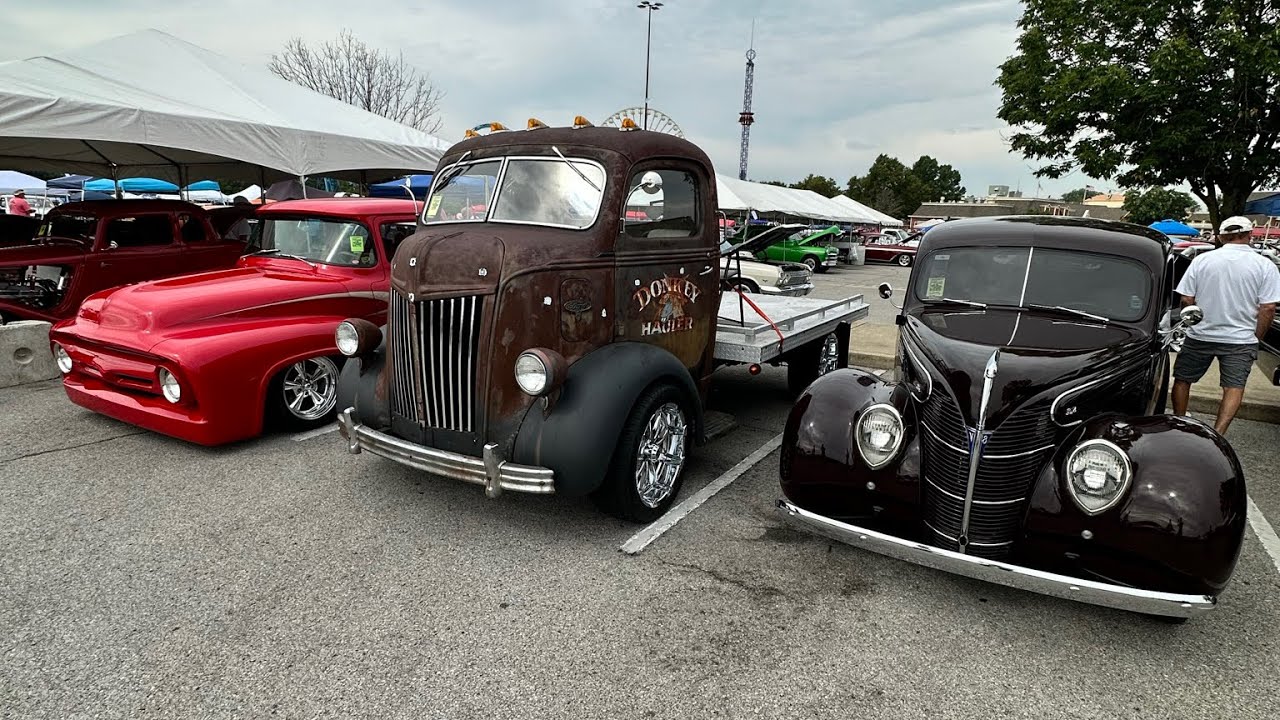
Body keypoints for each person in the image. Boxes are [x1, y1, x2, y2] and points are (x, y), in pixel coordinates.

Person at [1172, 215, 1280, 434]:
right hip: (1241, 338)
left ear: (1221, 236)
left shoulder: (1202, 261)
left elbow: (1186, 299)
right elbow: (1268, 308)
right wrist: (1256, 337)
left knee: (1183, 380)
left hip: (1200, 333)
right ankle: (1219, 434)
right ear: (1250, 236)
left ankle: (1180, 423)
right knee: (1233, 387)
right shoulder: (1265, 266)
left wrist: (1193, 320)